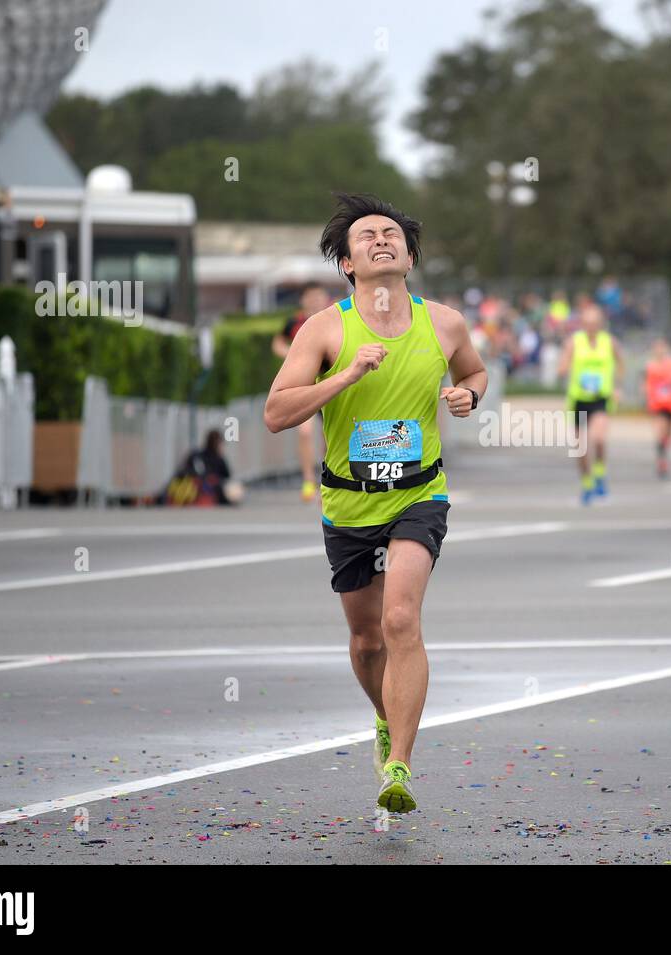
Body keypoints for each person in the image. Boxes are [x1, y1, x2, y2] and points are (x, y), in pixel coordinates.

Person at [264, 193, 487, 815]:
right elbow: (276, 413)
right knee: (366, 642)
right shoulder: (326, 329)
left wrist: (468, 397)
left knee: (400, 621)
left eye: (392, 233)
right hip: (349, 502)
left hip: (419, 491)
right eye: (366, 236)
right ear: (347, 265)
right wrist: (345, 376)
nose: (381, 239)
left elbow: (475, 373)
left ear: (410, 258)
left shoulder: (443, 323)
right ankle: (385, 718)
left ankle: (400, 766)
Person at [272, 283, 332, 501]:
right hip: (304, 388)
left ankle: (330, 479)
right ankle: (308, 481)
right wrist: (293, 355)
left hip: (330, 386)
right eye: (311, 297)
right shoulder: (295, 322)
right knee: (305, 433)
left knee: (330, 436)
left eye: (319, 296)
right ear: (303, 300)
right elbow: (277, 343)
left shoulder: (335, 318)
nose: (315, 300)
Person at [558, 303, 621, 505]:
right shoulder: (573, 343)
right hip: (578, 399)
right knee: (581, 448)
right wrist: (564, 369)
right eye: (587, 323)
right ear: (582, 324)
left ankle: (600, 474)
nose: (591, 327)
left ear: (601, 324)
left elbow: (621, 363)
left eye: (595, 323)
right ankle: (587, 483)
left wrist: (617, 386)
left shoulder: (609, 342)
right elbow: (562, 366)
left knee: (599, 438)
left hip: (601, 398)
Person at [644, 338, 671, 477]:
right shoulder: (650, 365)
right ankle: (662, 461)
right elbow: (645, 383)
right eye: (657, 348)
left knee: (670, 434)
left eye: (662, 347)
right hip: (657, 404)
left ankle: (664, 447)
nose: (660, 350)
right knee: (660, 432)